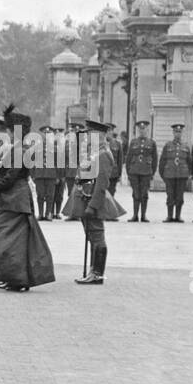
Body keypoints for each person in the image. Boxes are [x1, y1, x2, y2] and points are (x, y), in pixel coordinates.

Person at [0, 107, 55, 292]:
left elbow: (12, 176)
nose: (6, 132)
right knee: (13, 240)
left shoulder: (19, 149)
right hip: (16, 198)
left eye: (9, 129)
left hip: (14, 197)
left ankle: (17, 279)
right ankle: (13, 277)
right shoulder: (20, 148)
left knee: (10, 240)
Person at [71, 119, 124, 284]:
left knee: (97, 235)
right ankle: (93, 270)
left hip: (94, 200)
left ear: (100, 135)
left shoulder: (103, 154)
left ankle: (98, 273)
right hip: (86, 196)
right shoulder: (94, 152)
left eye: (90, 134)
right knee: (91, 235)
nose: (87, 137)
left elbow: (101, 184)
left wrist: (92, 206)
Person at [124, 119, 158, 222]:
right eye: (140, 129)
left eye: (144, 129)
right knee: (136, 194)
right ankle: (135, 215)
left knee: (144, 194)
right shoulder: (133, 142)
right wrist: (128, 172)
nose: (142, 131)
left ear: (147, 130)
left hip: (146, 172)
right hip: (134, 171)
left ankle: (143, 215)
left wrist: (152, 172)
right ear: (138, 130)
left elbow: (155, 159)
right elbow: (128, 158)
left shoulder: (151, 143)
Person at [159, 122, 192, 223]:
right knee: (170, 196)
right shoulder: (167, 145)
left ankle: (178, 216)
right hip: (170, 175)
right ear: (173, 133)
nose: (178, 134)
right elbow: (162, 161)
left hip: (182, 176)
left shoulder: (186, 146)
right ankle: (169, 216)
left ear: (182, 133)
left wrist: (188, 175)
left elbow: (189, 162)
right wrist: (163, 175)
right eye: (176, 132)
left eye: (180, 132)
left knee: (179, 197)